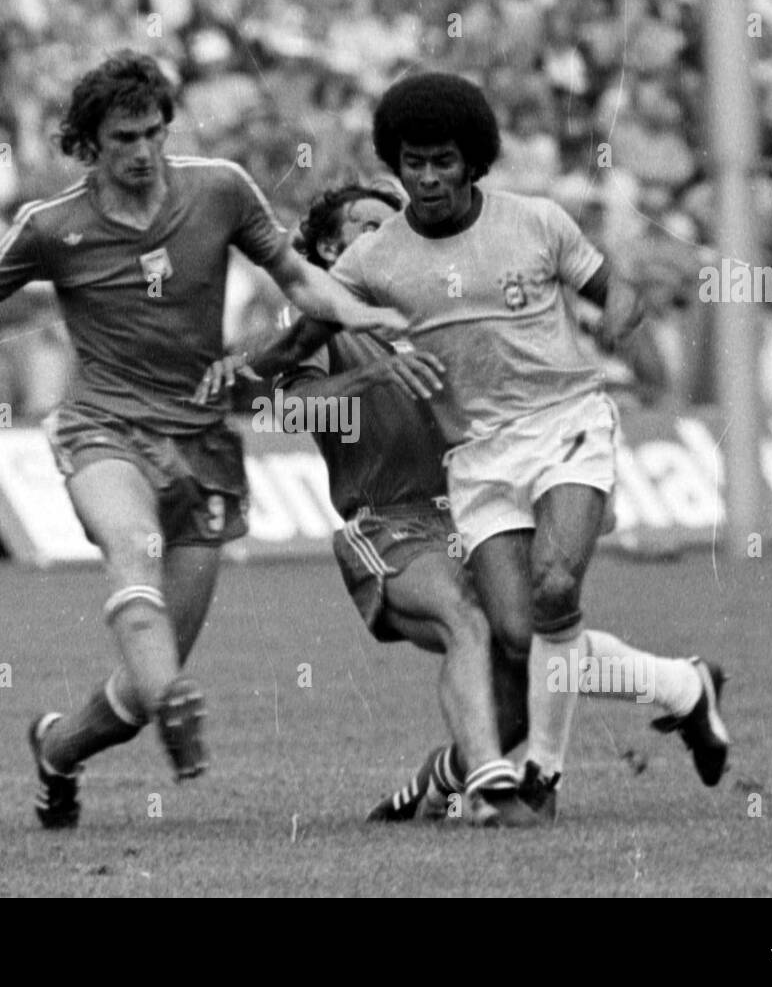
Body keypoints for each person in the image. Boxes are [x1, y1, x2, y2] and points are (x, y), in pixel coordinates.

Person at [0, 51, 408, 829]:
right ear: (89, 142)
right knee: (130, 544)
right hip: (105, 427)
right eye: (124, 137)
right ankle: (171, 694)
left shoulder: (219, 189)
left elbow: (297, 278)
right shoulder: (53, 227)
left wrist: (359, 313)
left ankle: (57, 749)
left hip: (204, 442)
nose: (144, 150)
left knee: (142, 690)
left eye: (153, 131)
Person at [200, 180, 731, 826]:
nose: (387, 236)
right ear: (329, 250)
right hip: (389, 520)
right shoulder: (318, 317)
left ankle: (457, 772)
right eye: (368, 227)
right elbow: (279, 406)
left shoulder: (433, 301)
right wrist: (371, 375)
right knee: (467, 617)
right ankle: (488, 787)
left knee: (528, 640)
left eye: (392, 224)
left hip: (476, 502)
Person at [319, 73, 730, 821]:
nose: (424, 182)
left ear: (472, 160)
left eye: (443, 161)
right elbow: (276, 402)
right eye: (411, 165)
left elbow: (618, 295)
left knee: (538, 608)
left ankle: (513, 776)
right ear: (326, 254)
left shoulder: (528, 225)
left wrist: (623, 323)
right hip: (410, 512)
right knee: (504, 631)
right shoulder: (349, 298)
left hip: (548, 436)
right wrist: (349, 373)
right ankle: (675, 689)